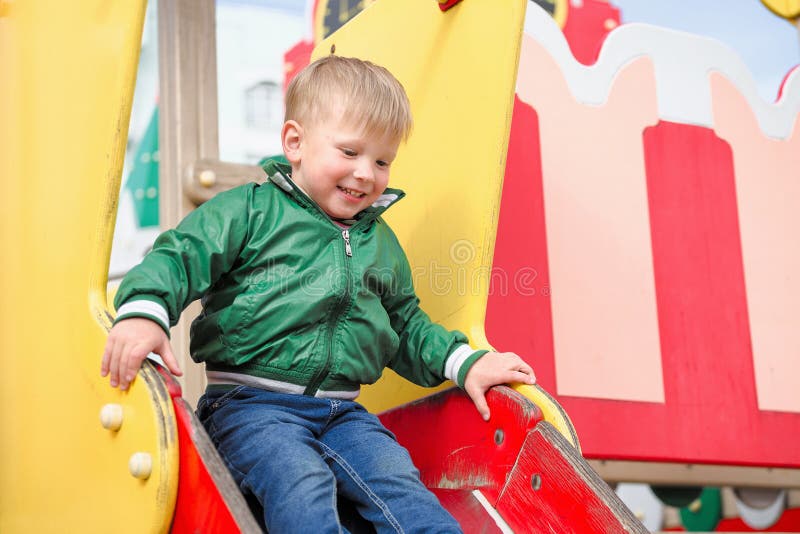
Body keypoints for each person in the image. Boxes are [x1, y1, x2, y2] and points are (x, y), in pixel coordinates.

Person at [101, 55, 536, 533]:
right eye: (349, 153)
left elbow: (406, 326)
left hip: (343, 412)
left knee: (397, 480)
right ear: (295, 143)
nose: (366, 173)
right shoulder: (250, 212)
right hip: (250, 406)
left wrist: (465, 362)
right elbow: (181, 256)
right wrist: (145, 311)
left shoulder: (380, 243)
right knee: (300, 481)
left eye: (382, 160)